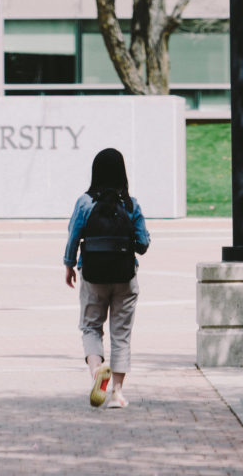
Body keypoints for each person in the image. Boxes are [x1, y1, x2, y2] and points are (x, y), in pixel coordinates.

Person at [64, 147, 150, 409]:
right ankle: (117, 394)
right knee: (121, 334)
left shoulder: (84, 202)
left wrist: (69, 265)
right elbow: (143, 244)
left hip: (93, 275)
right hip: (125, 276)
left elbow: (73, 236)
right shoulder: (131, 204)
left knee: (91, 327)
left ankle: (96, 371)